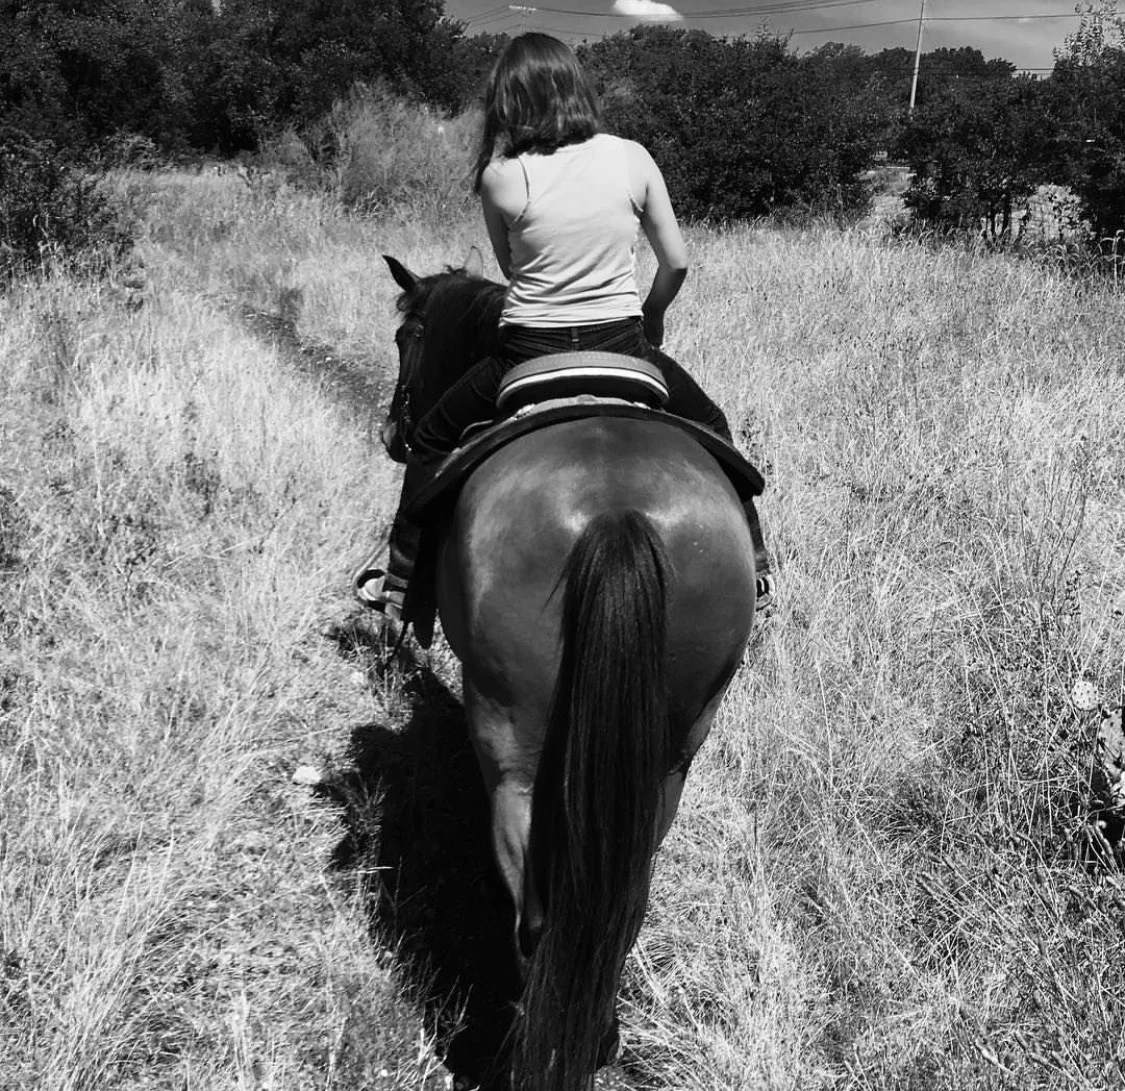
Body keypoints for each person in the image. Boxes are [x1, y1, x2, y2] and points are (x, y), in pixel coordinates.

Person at [356, 32, 773, 620]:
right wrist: (651, 315)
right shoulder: (632, 156)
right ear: (576, 87)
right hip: (623, 344)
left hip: (526, 352)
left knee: (428, 441)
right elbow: (676, 260)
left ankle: (401, 584)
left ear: (510, 99)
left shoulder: (501, 175)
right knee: (713, 425)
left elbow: (511, 268)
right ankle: (754, 563)